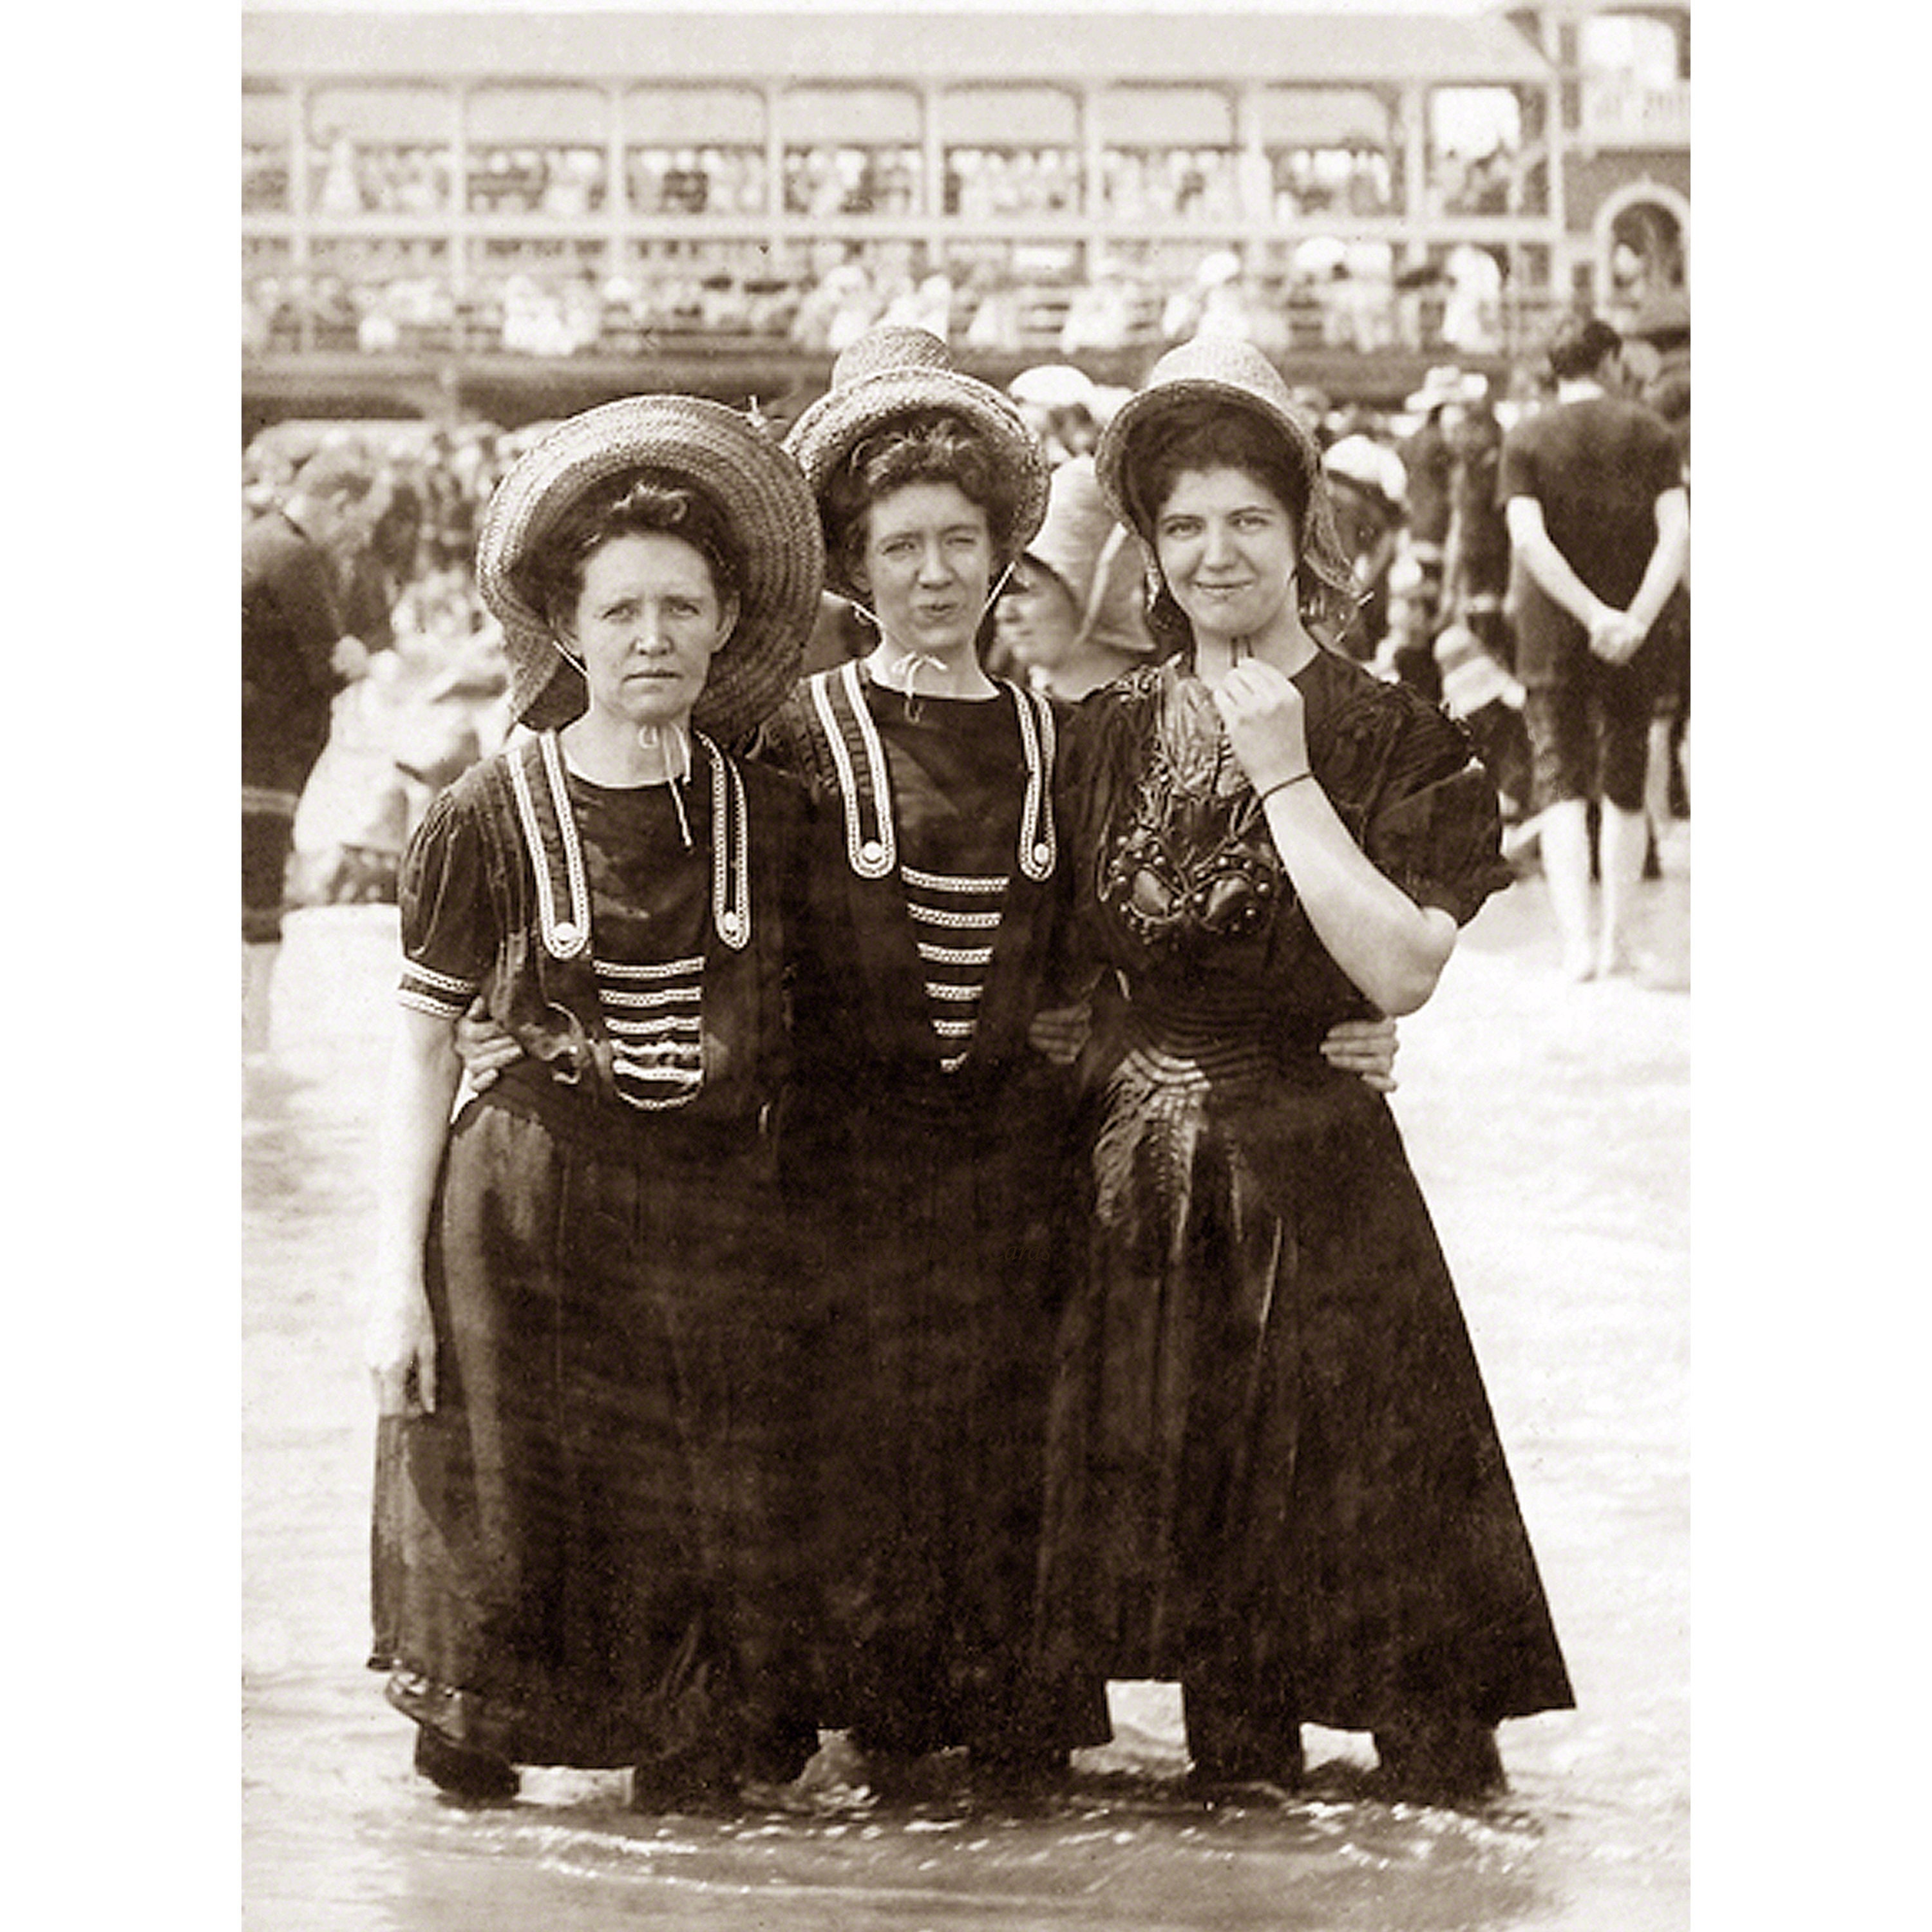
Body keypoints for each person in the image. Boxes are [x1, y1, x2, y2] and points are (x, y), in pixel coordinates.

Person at [1032, 334, 1574, 1805]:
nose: (1215, 553)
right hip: (1145, 1198)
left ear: (1298, 535)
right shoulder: (1102, 735)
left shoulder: (1386, 731)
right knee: (1229, 1704)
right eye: (1184, 526)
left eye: (1247, 522)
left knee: (1423, 1684)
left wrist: (1282, 773)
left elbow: (1400, 967)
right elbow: (1058, 979)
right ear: (1146, 549)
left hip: (1323, 1185)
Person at [364, 395, 827, 1808]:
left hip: (706, 1252)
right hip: (519, 1251)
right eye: (621, 610)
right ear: (566, 629)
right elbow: (424, 1051)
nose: (653, 640)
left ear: (727, 624)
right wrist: (393, 1291)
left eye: (682, 609)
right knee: (491, 1670)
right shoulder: (479, 816)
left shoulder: (774, 809)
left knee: (697, 1701)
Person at [752, 323, 1113, 1781]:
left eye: (961, 541)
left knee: (1011, 1462)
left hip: (1014, 1192)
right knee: (862, 1468)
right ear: (854, 567)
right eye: (900, 547)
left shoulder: (1058, 739)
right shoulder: (792, 731)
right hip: (842, 1190)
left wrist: (1351, 1022)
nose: (935, 574)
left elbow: (1136, 944)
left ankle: (1017, 1763)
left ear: (999, 552)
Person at [1499, 314, 1690, 980]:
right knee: (1625, 783)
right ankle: (1618, 941)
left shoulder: (1524, 437)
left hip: (1552, 633)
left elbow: (1528, 541)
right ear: (1609, 359)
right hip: (1635, 637)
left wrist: (1587, 613)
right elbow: (1677, 533)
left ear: (1557, 368)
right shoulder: (1652, 431)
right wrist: (1632, 617)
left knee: (1560, 784)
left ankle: (1577, 946)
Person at [242, 442, 388, 1050]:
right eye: (364, 520)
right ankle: (255, 1041)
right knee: (256, 897)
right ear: (340, 503)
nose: (364, 536)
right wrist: (356, 658)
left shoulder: (256, 539)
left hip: (250, 747)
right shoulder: (294, 555)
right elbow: (334, 661)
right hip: (261, 755)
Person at [992, 453, 1160, 699]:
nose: (1004, 613)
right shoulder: (1011, 716)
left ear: (1100, 590)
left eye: (1027, 590)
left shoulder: (1161, 721)